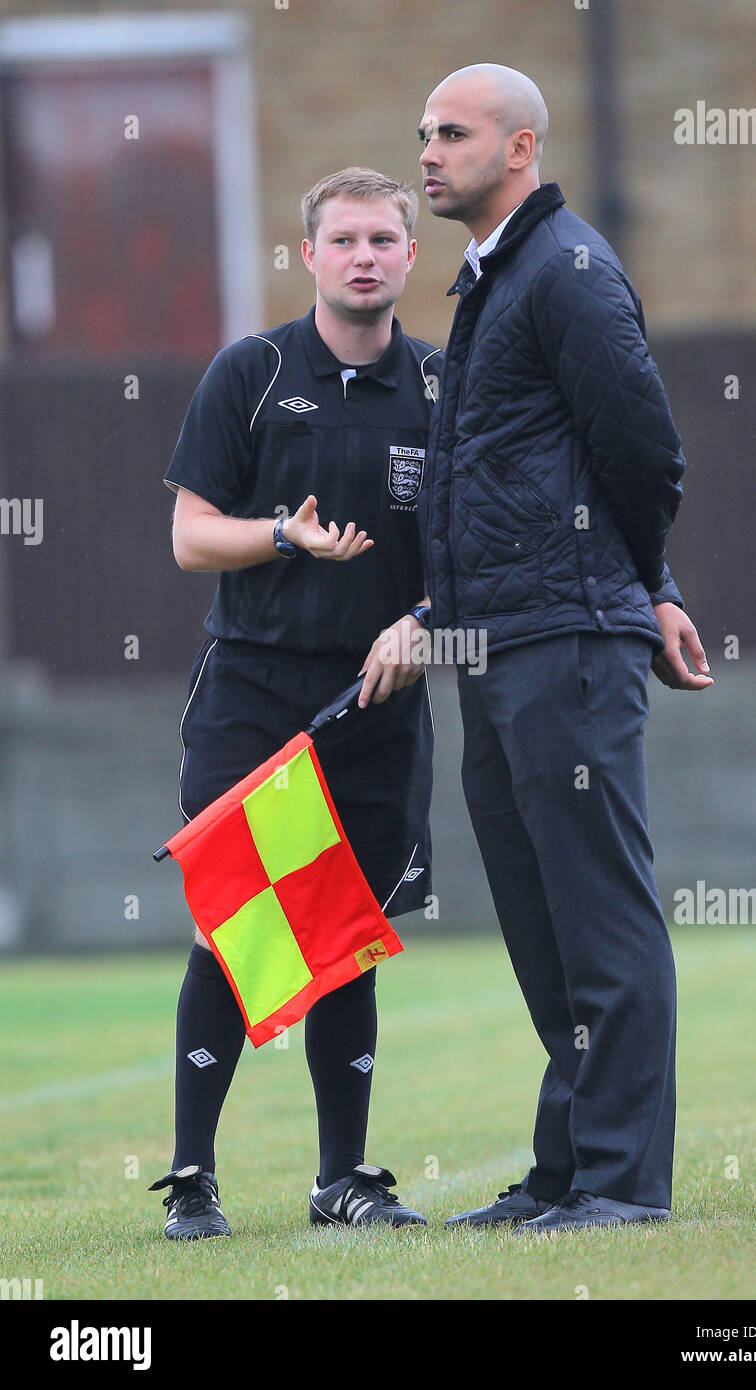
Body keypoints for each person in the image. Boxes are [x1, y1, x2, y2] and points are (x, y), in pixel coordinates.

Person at [416, 65, 714, 1232]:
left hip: (566, 643)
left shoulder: (570, 269)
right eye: (423, 133)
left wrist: (639, 594)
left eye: (454, 132)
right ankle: (563, 1168)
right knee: (541, 925)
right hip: (494, 649)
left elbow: (643, 454)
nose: (429, 151)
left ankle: (620, 1184)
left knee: (600, 915)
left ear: (521, 146)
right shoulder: (493, 274)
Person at [148, 168, 439, 1238]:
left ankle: (342, 1181)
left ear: (410, 256)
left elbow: (472, 551)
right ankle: (190, 1179)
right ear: (308, 254)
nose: (364, 255)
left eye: (382, 238)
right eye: (343, 239)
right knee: (239, 927)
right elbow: (189, 537)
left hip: (378, 697)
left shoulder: (443, 387)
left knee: (343, 933)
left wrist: (423, 617)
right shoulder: (254, 371)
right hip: (254, 690)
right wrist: (282, 532)